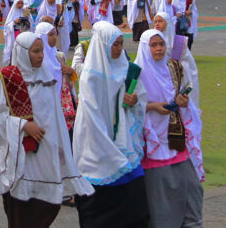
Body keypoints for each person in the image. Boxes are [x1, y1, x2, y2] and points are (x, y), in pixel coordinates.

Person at [0, 31, 93, 227]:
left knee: (47, 206)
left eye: (42, 51)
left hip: (46, 153)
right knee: (21, 208)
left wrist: (62, 149)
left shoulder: (47, 77)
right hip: (22, 154)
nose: (41, 55)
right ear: (22, 52)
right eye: (35, 51)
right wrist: (23, 125)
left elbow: (56, 116)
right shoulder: (7, 79)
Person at [72, 22, 149, 228]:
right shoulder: (91, 77)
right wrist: (111, 154)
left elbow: (137, 96)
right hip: (98, 149)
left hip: (123, 144)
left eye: (121, 44)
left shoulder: (123, 68)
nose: (119, 49)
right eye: (115, 44)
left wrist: (133, 100)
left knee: (136, 204)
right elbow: (92, 120)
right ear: (103, 45)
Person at [135, 29, 204, 227]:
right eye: (153, 45)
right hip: (152, 143)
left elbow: (184, 97)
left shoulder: (174, 68)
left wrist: (183, 102)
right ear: (145, 48)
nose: (159, 49)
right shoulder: (136, 73)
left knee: (192, 189)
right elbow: (130, 107)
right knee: (161, 199)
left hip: (176, 137)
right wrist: (153, 107)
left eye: (161, 44)